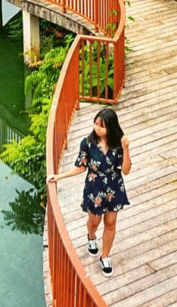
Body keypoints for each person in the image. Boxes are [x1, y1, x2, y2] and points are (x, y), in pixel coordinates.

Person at [47, 108, 131, 277]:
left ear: (111, 127)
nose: (97, 128)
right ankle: (91, 237)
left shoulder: (118, 144)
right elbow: (81, 166)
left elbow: (126, 170)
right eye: (96, 123)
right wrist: (60, 176)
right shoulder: (88, 143)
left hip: (114, 186)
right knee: (94, 221)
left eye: (102, 126)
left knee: (111, 223)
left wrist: (126, 149)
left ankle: (105, 256)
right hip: (95, 187)